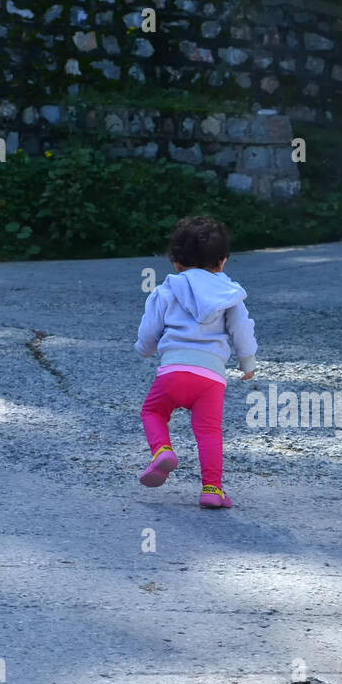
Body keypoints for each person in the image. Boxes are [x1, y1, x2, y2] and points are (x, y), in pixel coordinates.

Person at [134, 216, 258, 508]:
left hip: (174, 372)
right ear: (222, 262)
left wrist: (144, 349)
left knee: (153, 411)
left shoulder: (166, 289)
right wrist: (247, 361)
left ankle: (162, 450)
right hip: (211, 378)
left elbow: (149, 331)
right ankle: (212, 490)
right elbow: (242, 329)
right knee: (209, 432)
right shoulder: (229, 294)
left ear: (176, 261)